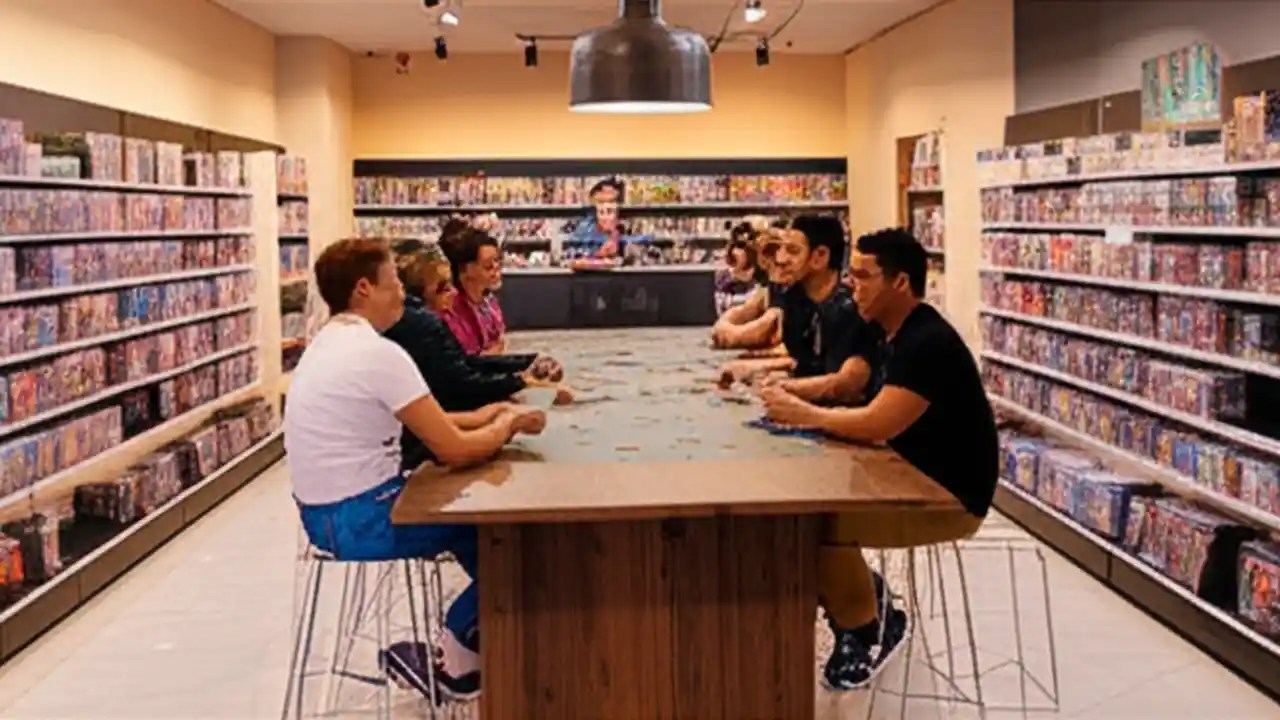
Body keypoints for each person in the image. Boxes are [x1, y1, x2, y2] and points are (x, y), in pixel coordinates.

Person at [284, 238, 548, 700]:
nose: (403, 296)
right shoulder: (378, 353)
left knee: (484, 539)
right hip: (362, 519)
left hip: (319, 517)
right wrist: (507, 425)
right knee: (508, 544)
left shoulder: (330, 343)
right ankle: (460, 657)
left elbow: (430, 421)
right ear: (364, 288)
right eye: (394, 284)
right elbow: (454, 450)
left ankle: (484, 645)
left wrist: (488, 414)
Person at [761, 227, 998, 690]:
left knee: (815, 524)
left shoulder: (925, 342)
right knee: (810, 510)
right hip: (910, 474)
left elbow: (876, 424)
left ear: (901, 283)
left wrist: (801, 413)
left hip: (947, 497)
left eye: (863, 276)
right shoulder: (896, 332)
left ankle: (865, 631)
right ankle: (866, 603)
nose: (852, 286)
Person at [384, 240, 573, 470]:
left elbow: (460, 365)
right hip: (415, 449)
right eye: (442, 286)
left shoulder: (412, 319)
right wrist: (517, 392)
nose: (451, 293)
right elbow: (460, 386)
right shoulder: (423, 323)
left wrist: (525, 365)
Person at [439, 227, 509, 355]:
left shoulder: (490, 302)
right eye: (488, 265)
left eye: (498, 260)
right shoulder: (449, 309)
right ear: (464, 269)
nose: (496, 268)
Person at [713, 228, 761, 315]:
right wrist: (737, 269)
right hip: (730, 306)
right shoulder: (724, 266)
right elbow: (720, 287)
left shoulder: (756, 265)